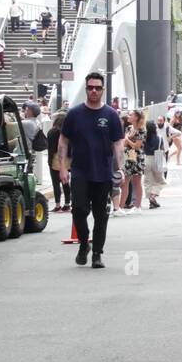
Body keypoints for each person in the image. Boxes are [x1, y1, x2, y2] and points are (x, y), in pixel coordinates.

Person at [58, 72, 125, 269]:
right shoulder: (74, 114)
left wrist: (120, 169)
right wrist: (62, 167)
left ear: (103, 90)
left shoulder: (111, 115)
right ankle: (84, 244)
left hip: (103, 172)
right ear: (86, 88)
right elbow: (63, 140)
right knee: (78, 210)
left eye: (97, 88)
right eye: (90, 87)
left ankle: (97, 253)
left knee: (100, 215)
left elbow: (118, 143)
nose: (93, 91)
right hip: (79, 171)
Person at [119, 111, 146, 214]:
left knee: (137, 182)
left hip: (137, 157)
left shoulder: (141, 129)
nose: (128, 116)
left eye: (131, 115)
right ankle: (120, 207)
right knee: (125, 182)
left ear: (136, 117)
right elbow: (125, 144)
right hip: (128, 156)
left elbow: (137, 146)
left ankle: (137, 206)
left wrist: (127, 139)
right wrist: (127, 141)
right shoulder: (129, 128)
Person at [47, 112, 70, 213]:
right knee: (66, 182)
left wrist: (50, 160)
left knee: (55, 183)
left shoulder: (52, 132)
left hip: (55, 158)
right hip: (67, 159)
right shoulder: (69, 132)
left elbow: (50, 148)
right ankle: (67, 204)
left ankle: (57, 205)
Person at [143, 119, 167, 209]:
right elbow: (163, 149)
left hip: (147, 158)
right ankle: (153, 196)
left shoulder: (144, 137)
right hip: (157, 158)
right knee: (160, 181)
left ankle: (151, 199)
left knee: (148, 181)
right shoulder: (159, 137)